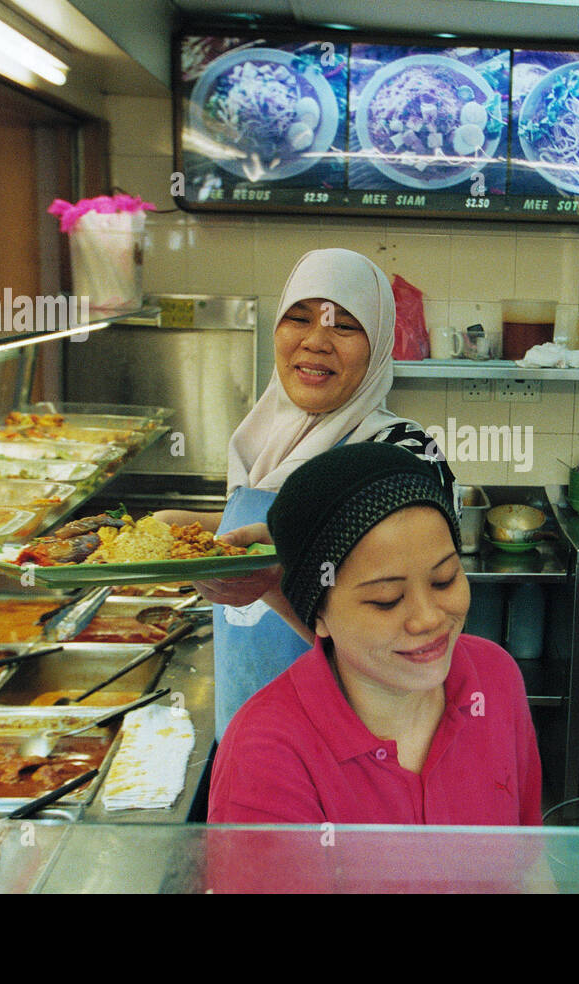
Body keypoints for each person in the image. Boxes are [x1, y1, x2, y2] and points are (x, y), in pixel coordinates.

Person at [155, 248, 453, 740]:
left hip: (350, 746)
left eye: (345, 326)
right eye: (298, 318)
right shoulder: (262, 440)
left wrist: (272, 584)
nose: (315, 341)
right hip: (248, 725)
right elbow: (282, 528)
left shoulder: (403, 456)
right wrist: (186, 526)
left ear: (378, 344)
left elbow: (404, 635)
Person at [207, 442, 542, 826]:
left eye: (444, 579)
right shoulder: (264, 754)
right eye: (387, 599)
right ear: (319, 614)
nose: (428, 619)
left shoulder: (495, 678)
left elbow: (527, 863)